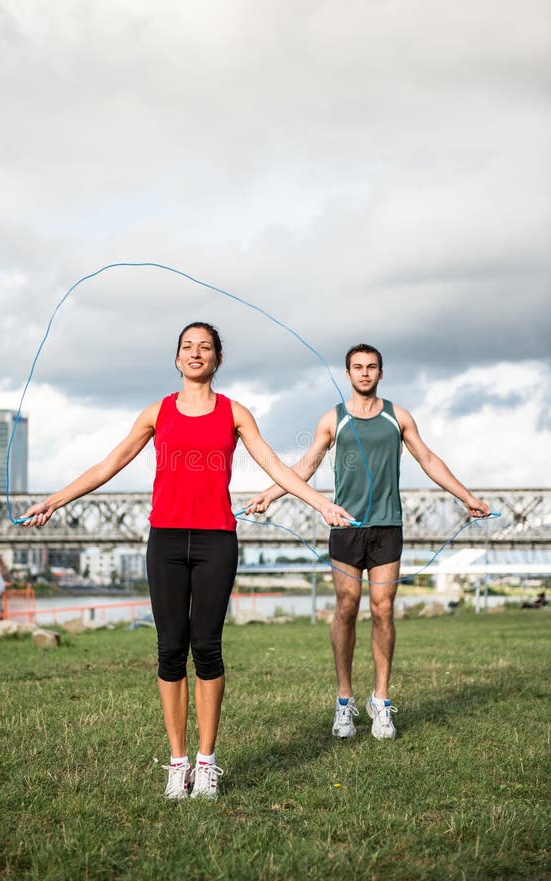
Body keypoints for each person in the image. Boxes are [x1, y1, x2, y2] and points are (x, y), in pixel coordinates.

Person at [21, 322, 352, 799]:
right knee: (170, 649)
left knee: (208, 648)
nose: (196, 354)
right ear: (177, 359)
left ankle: (207, 761)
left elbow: (275, 466)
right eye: (187, 347)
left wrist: (319, 504)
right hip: (167, 542)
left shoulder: (234, 413)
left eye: (205, 348)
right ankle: (178, 763)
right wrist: (55, 500)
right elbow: (107, 465)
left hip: (217, 540)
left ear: (218, 359)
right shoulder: (156, 413)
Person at [244, 343, 490, 742]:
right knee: (345, 606)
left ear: (380, 372)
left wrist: (466, 496)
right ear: (348, 374)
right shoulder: (333, 420)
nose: (364, 373)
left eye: (371, 367)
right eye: (357, 367)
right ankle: (345, 701)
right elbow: (305, 466)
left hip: (387, 526)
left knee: (383, 609)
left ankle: (381, 701)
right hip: (345, 526)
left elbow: (428, 459)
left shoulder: (398, 417)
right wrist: (269, 495)